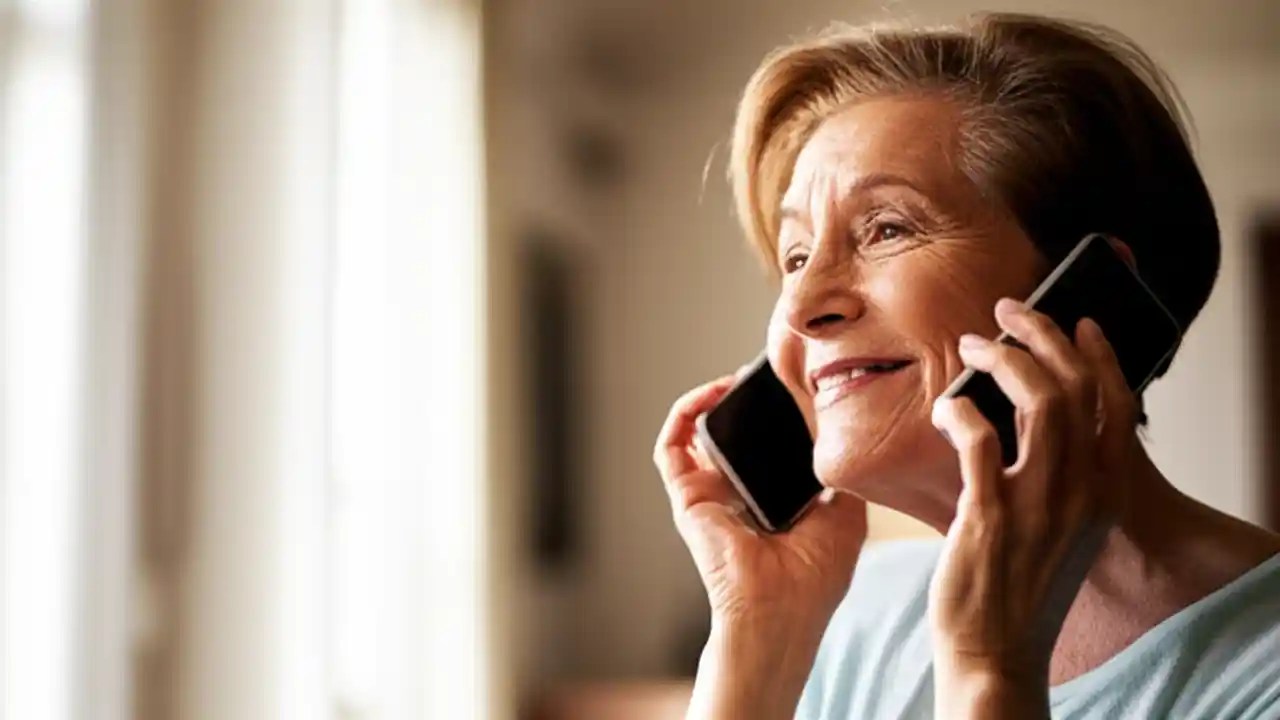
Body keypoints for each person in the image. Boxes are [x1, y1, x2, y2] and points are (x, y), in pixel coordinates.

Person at [653, 12, 1280, 719]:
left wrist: (992, 671)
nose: (800, 306)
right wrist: (756, 636)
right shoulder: (856, 619)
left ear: (1086, 299)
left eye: (886, 228)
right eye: (796, 256)